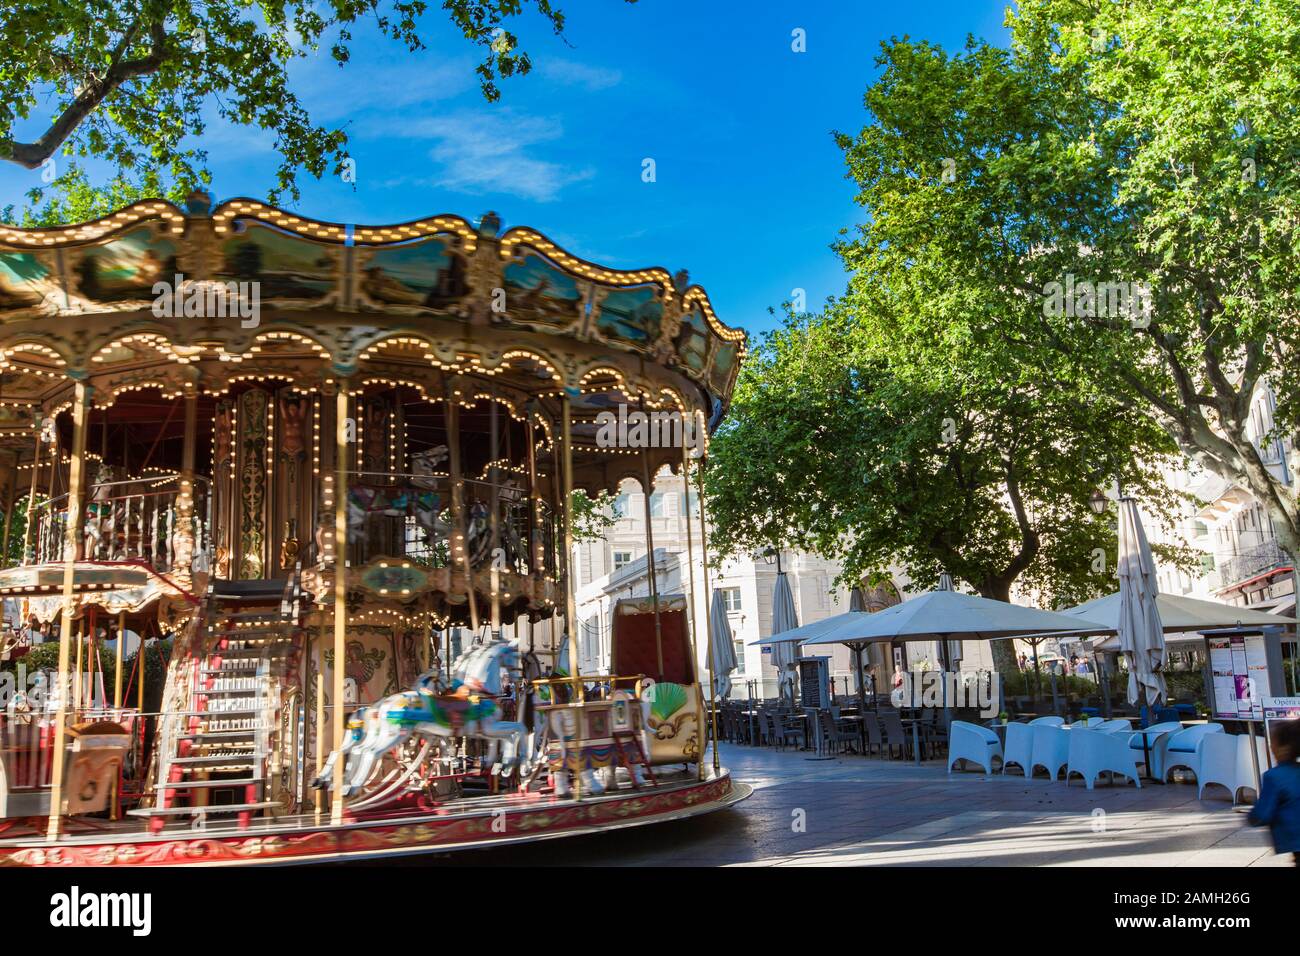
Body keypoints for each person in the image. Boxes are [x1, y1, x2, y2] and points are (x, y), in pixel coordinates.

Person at [1249, 718, 1300, 865]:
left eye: (1273, 744)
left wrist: (1252, 817)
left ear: (1283, 748)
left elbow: (1262, 814)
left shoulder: (1274, 777)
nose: (1271, 748)